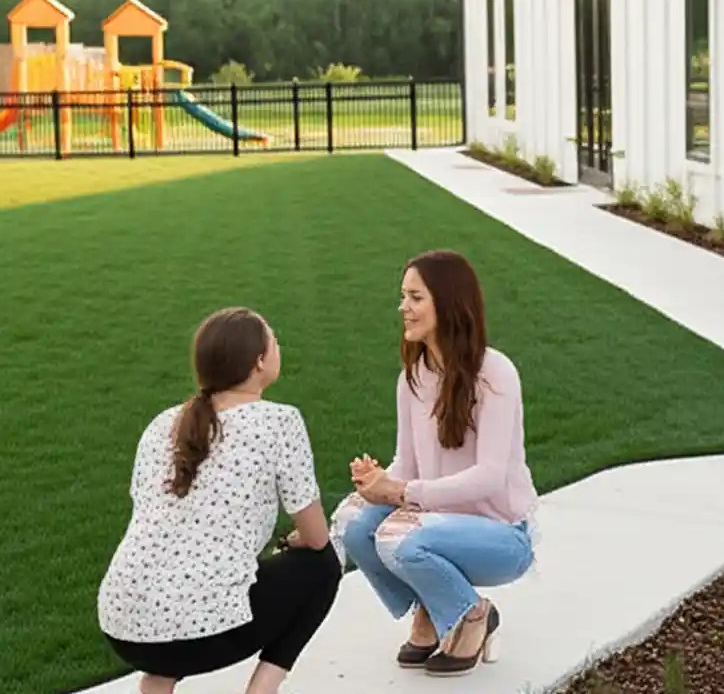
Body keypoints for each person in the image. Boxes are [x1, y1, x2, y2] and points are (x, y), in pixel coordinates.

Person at [97, 307, 341, 694]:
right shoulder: (280, 422)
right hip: (199, 637)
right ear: (260, 361)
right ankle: (262, 690)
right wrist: (294, 541)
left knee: (188, 580)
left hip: (121, 626)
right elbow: (316, 537)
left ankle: (156, 683)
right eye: (274, 341)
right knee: (325, 565)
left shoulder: (164, 422)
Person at [333, 249, 540, 678]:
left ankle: (473, 615)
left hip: (503, 536)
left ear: (447, 302)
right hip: (438, 522)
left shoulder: (495, 373)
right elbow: (407, 463)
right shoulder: (413, 375)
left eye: (414, 297)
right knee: (354, 522)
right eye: (403, 297)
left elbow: (489, 477)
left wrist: (403, 493)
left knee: (397, 538)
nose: (402, 308)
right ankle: (433, 606)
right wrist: (376, 483)